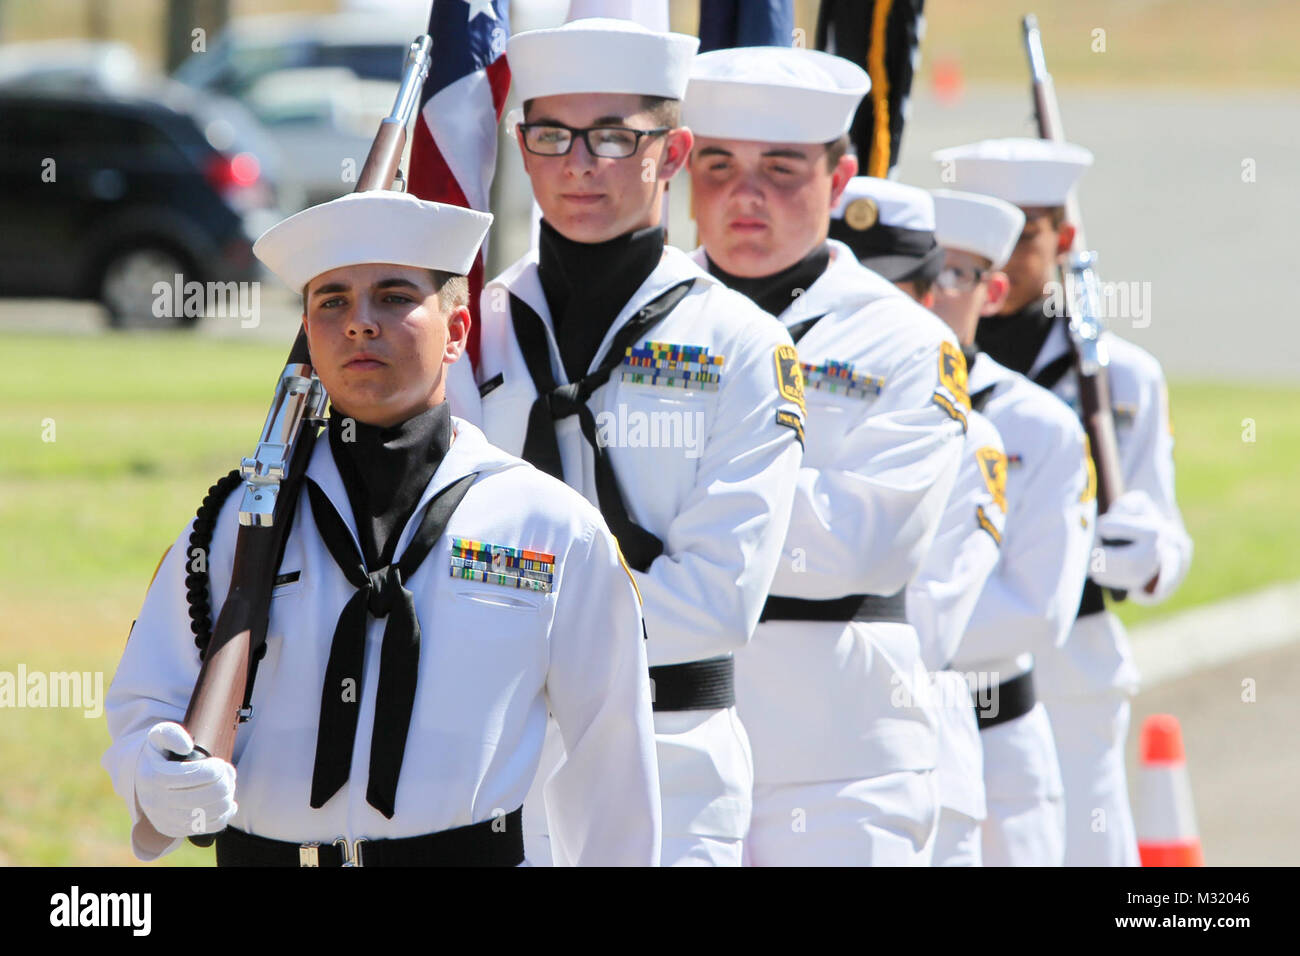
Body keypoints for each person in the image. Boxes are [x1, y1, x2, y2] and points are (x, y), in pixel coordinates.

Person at [102, 189, 661, 867]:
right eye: (331, 301)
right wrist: (155, 778)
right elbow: (144, 704)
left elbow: (614, 773)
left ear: (456, 333)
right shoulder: (236, 521)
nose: (360, 323)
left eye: (394, 297)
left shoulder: (550, 526)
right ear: (307, 332)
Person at [450, 18, 805, 867]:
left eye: (613, 137)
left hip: (671, 757)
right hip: (493, 765)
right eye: (551, 135)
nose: (578, 164)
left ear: (674, 152)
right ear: (522, 147)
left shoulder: (742, 346)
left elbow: (717, 600)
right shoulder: (473, 328)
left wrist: (512, 606)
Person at [684, 48, 969, 865]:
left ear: (840, 180)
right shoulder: (646, 326)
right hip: (668, 743)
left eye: (781, 168)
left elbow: (860, 545)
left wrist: (667, 514)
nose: (745, 194)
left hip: (843, 766)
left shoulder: (907, 342)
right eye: (719, 164)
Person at [933, 138, 1192, 865]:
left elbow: (1165, 543)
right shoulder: (921, 360)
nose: (1004, 257)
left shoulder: (1121, 378)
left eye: (1026, 233)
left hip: (1072, 674)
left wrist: (1147, 554)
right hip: (954, 663)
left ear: (1065, 238)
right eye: (986, 237)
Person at [826, 176, 1008, 868]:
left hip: (908, 761)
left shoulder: (974, 438)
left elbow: (928, 625)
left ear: (928, 295)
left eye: (892, 288)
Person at [925, 187, 1097, 865]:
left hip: (994, 735)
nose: (930, 296)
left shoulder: (1037, 422)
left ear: (990, 291)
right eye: (914, 274)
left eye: (953, 277)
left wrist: (870, 628)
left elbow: (1036, 610)